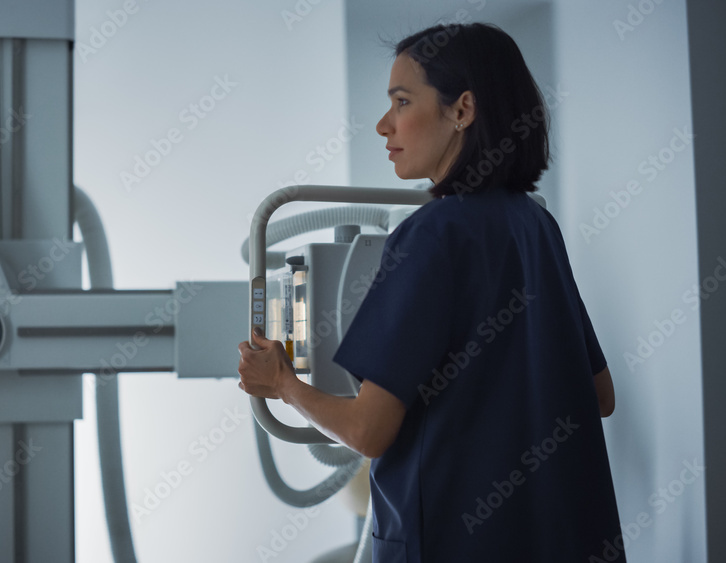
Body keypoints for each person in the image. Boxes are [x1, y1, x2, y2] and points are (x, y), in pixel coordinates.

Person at [237, 22, 624, 563]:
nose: (382, 124)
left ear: (462, 110)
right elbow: (599, 397)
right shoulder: (537, 227)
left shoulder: (430, 235)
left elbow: (368, 431)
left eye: (401, 101)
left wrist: (282, 383)